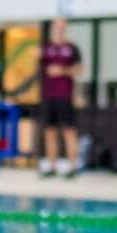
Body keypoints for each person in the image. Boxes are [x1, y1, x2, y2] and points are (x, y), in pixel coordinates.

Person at [34, 21, 83, 177]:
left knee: (69, 131)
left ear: (65, 29)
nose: (59, 30)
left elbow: (80, 69)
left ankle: (72, 166)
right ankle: (51, 166)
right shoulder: (46, 49)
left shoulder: (72, 48)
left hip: (65, 96)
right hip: (49, 96)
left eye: (62, 27)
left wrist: (62, 70)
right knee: (50, 131)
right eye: (56, 27)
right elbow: (39, 69)